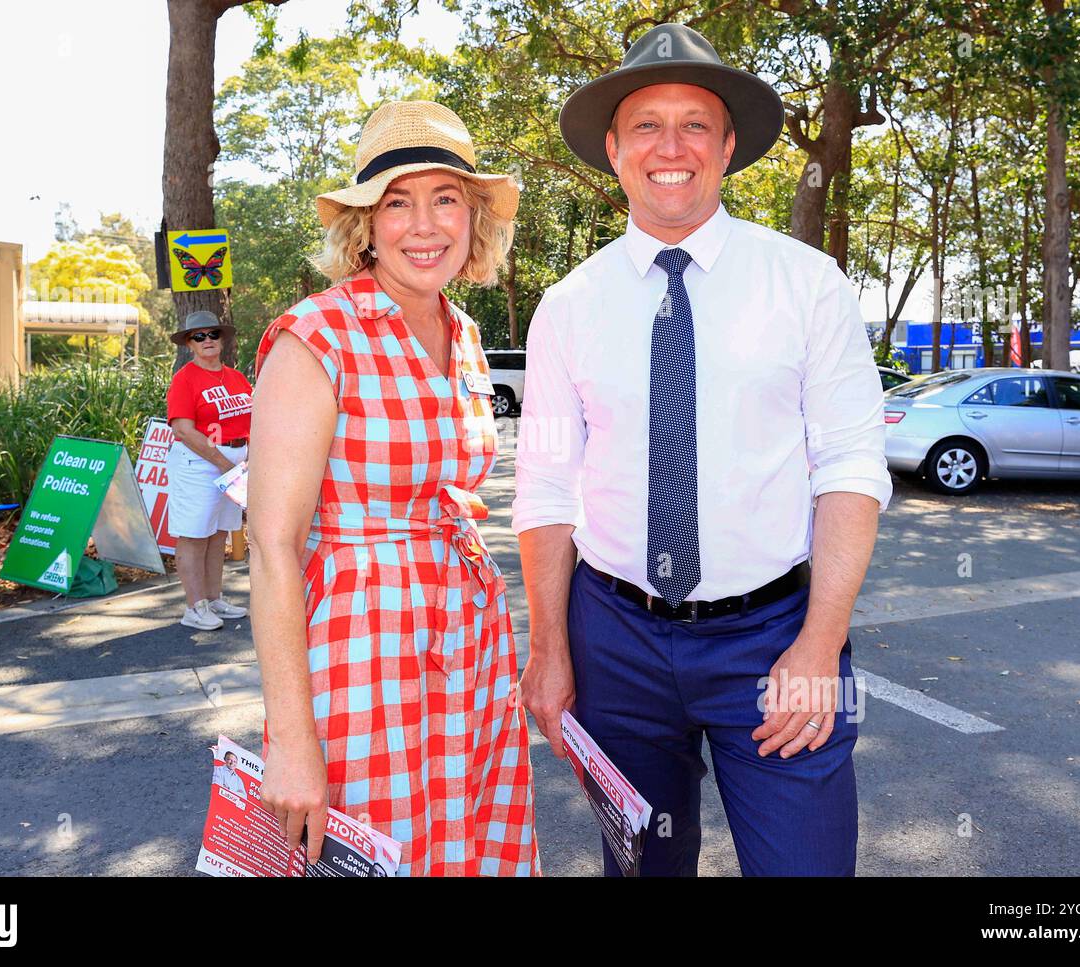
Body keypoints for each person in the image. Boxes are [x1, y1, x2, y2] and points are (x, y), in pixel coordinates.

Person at [513, 23, 892, 876]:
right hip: (613, 639)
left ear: (727, 148)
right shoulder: (567, 308)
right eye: (647, 124)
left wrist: (818, 643)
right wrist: (550, 647)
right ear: (614, 150)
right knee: (643, 868)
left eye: (695, 124)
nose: (670, 146)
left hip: (774, 634)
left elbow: (851, 471)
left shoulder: (808, 286)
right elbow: (542, 486)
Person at [248, 100, 539, 876]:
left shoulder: (467, 333)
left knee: (471, 851)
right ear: (365, 226)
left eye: (445, 198)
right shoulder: (317, 335)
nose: (424, 225)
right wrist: (292, 738)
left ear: (472, 218)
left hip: (470, 649)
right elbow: (272, 547)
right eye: (396, 203)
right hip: (360, 658)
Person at [165, 310, 251, 630]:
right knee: (195, 535)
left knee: (218, 534)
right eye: (198, 337)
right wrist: (226, 465)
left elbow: (251, 420)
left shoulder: (236, 377)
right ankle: (194, 606)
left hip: (234, 462)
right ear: (189, 344)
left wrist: (247, 459)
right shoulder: (185, 379)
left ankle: (213, 598)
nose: (207, 341)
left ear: (222, 338)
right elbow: (184, 430)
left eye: (212, 334)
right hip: (199, 464)